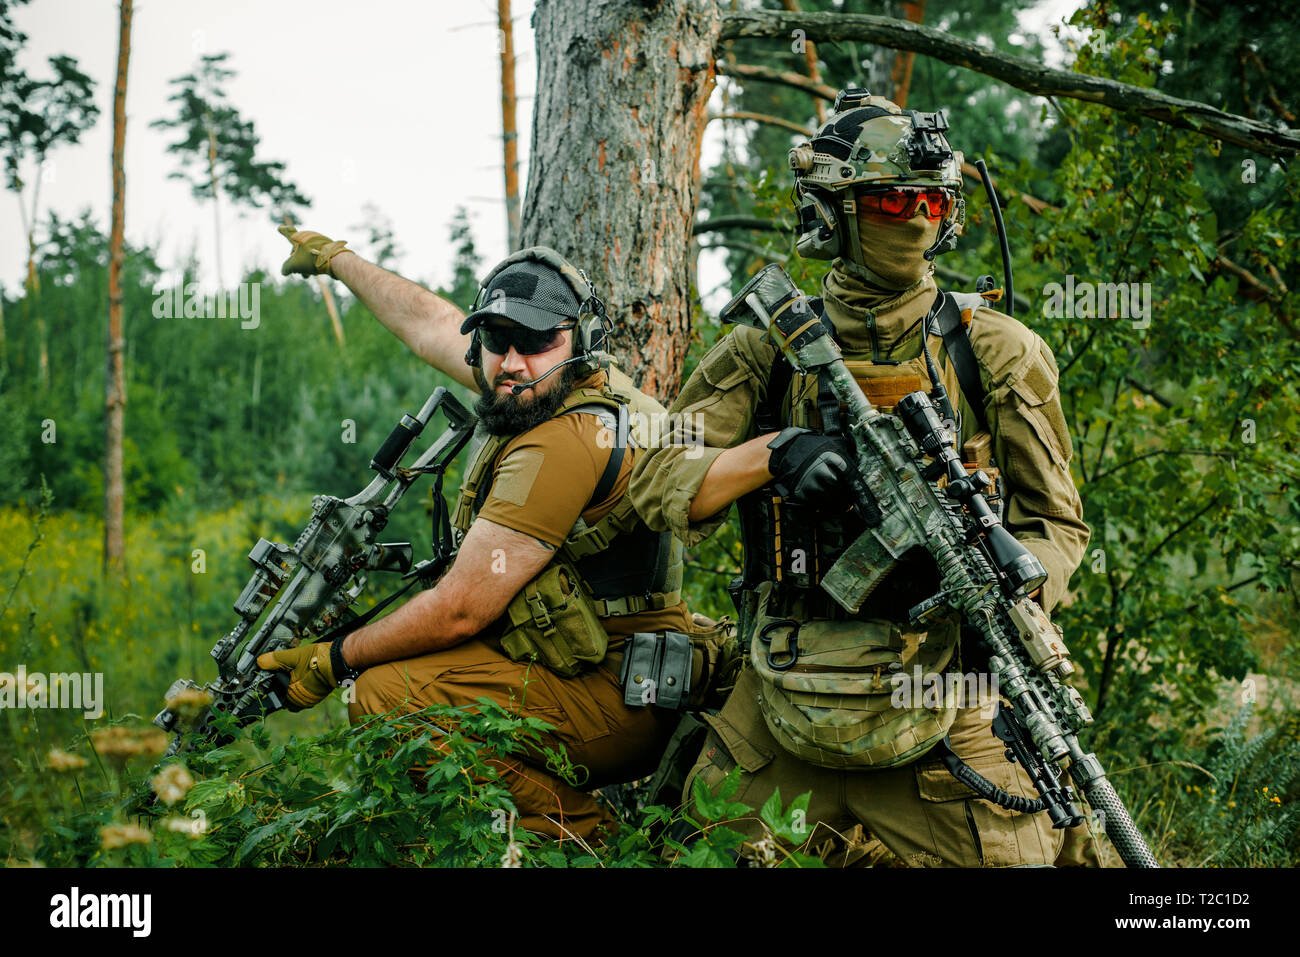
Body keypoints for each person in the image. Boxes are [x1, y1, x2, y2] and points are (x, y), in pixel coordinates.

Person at [629, 89, 1091, 866]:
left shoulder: (998, 351)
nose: (912, 217)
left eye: (929, 200)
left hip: (946, 688)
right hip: (784, 689)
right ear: (832, 212)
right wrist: (776, 453)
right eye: (887, 198)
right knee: (690, 853)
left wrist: (1002, 591)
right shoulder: (764, 348)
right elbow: (657, 476)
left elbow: (1059, 527)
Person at [259, 238, 721, 841]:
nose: (511, 361)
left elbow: (459, 610)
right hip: (622, 671)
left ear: (579, 342)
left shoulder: (560, 439)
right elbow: (429, 325)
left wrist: (332, 659)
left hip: (618, 696)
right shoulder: (557, 385)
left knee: (382, 697)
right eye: (497, 339)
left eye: (534, 341)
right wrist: (337, 260)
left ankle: (592, 842)